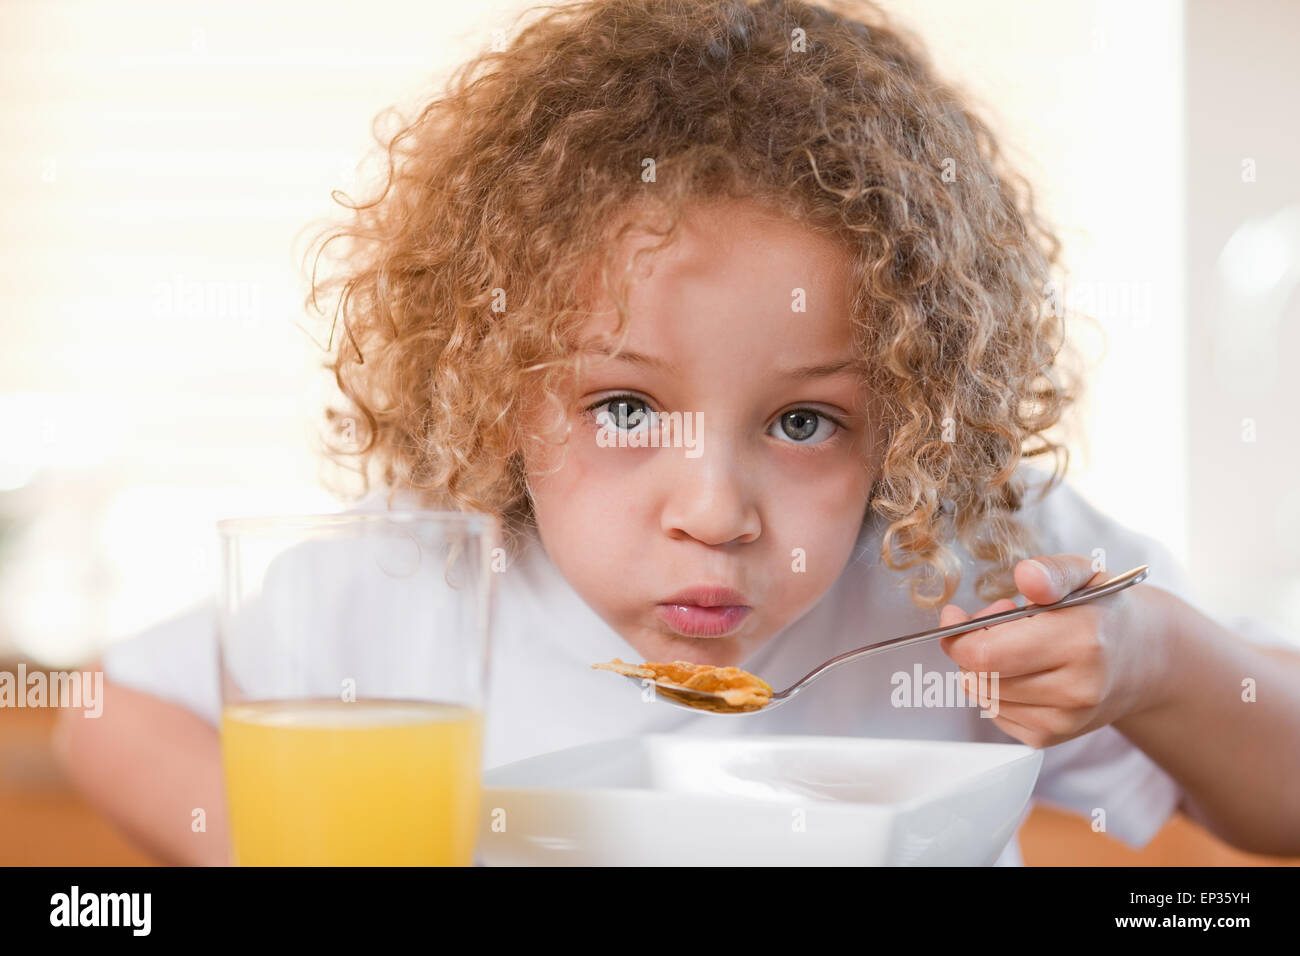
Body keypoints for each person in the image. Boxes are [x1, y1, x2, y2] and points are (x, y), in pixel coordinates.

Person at [55, 0, 1300, 866]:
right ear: (499, 390)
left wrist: (1150, 661)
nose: (714, 508)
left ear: (914, 416)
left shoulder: (972, 562)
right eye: (625, 407)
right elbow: (107, 710)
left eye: (805, 419)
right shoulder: (412, 581)